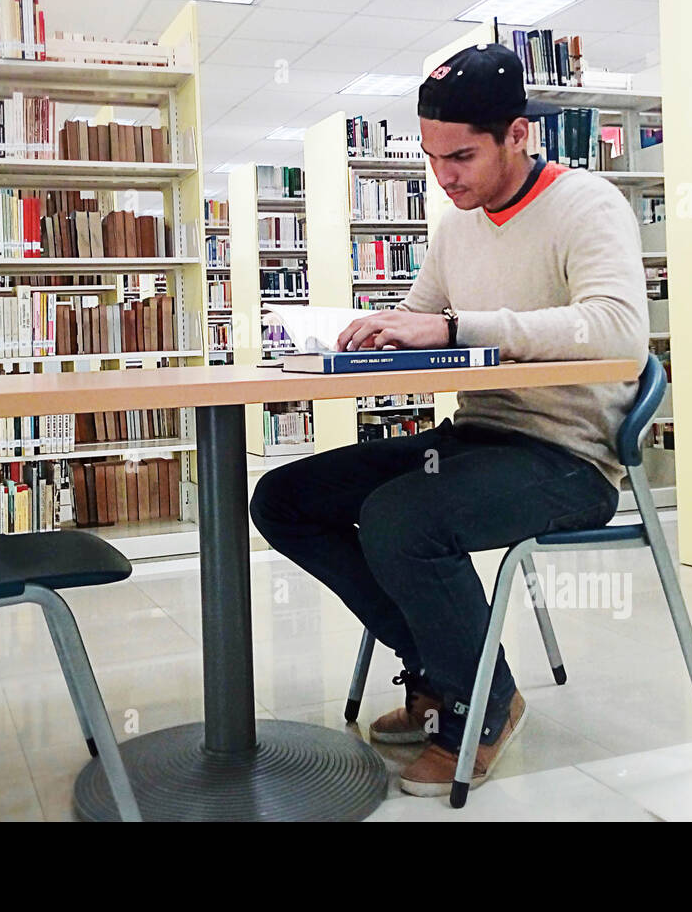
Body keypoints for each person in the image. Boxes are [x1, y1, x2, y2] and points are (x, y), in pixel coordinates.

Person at [249, 42, 650, 797]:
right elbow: (423, 318)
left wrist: (460, 326)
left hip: (569, 455)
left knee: (402, 517)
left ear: (518, 135)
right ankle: (442, 666)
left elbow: (619, 330)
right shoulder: (457, 226)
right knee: (284, 499)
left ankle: (481, 705)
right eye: (433, 158)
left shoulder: (588, 204)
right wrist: (369, 330)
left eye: (461, 156)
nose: (445, 176)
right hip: (475, 437)